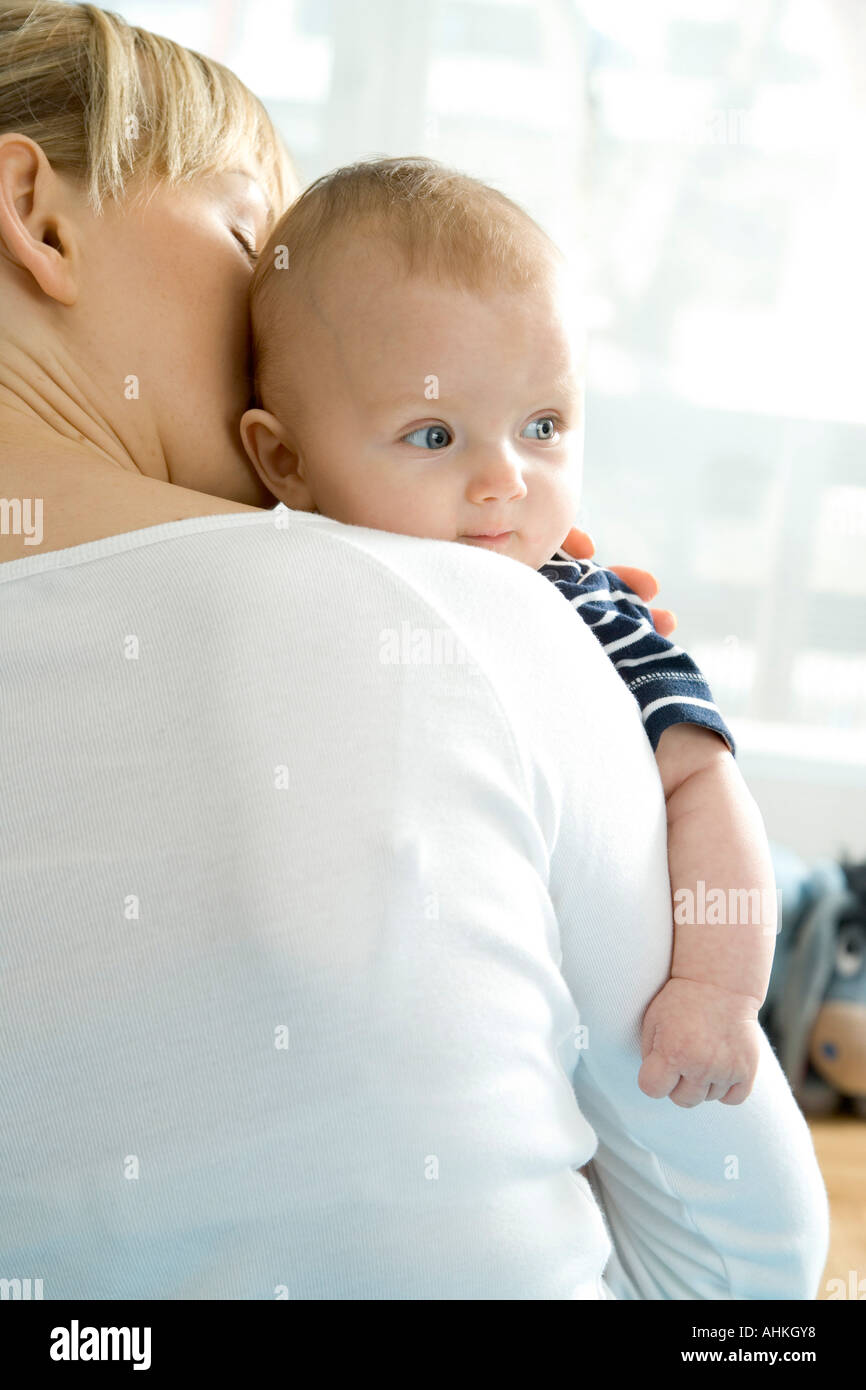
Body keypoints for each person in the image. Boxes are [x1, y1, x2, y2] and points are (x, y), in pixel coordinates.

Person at [0, 1, 829, 1299]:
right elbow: (747, 1264)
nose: (271, 299)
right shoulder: (473, 619)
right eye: (242, 231)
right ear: (37, 215)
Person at [240, 156, 776, 1111]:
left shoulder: (585, 609)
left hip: (607, 1044)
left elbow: (703, 778)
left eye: (542, 425)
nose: (506, 481)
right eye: (436, 436)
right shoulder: (271, 571)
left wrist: (718, 989)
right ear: (285, 460)